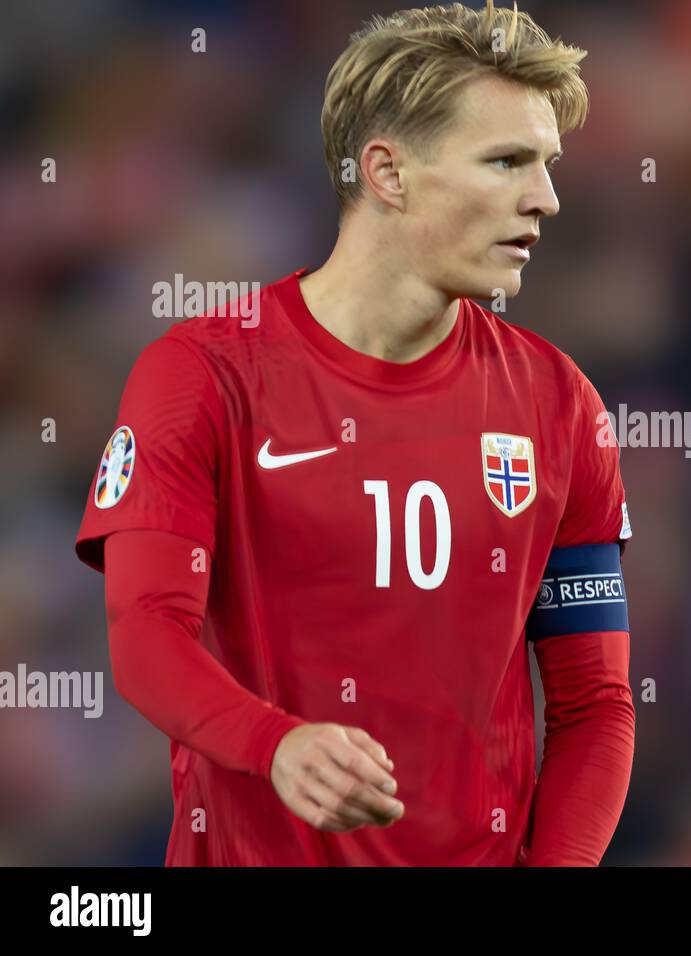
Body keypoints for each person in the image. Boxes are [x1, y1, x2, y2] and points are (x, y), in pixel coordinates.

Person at [74, 2, 635, 866]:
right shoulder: (201, 377)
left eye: (547, 165)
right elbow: (146, 630)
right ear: (387, 173)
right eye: (507, 162)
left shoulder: (560, 405)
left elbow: (594, 702)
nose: (545, 197)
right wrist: (276, 744)